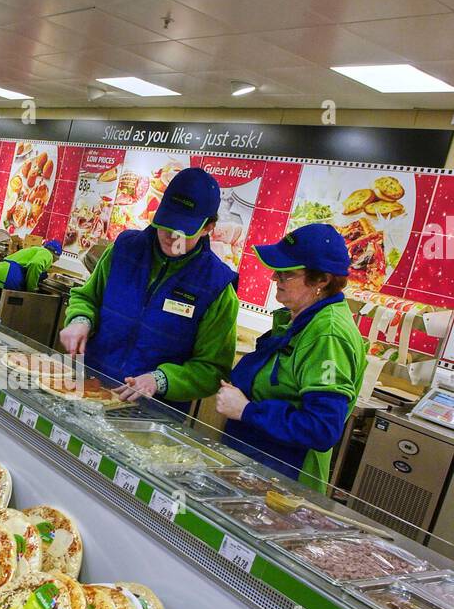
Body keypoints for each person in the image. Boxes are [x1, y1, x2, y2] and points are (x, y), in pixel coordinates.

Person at [60, 168, 239, 406]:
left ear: (208, 227)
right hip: (88, 387)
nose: (171, 236)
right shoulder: (124, 249)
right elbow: (87, 298)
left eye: (183, 230)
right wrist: (80, 320)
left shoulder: (217, 287)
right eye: (167, 223)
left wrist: (160, 380)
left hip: (150, 412)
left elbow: (212, 369)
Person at [215, 223, 367, 492]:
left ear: (322, 280)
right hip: (254, 465)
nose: (275, 278)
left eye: (287, 274)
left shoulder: (327, 335)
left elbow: (322, 428)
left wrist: (247, 411)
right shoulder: (301, 320)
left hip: (284, 478)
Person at [0, 238, 63, 313]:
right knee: (4, 314)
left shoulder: (33, 250)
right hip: (8, 277)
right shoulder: (47, 253)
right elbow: (36, 264)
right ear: (55, 255)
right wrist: (31, 290)